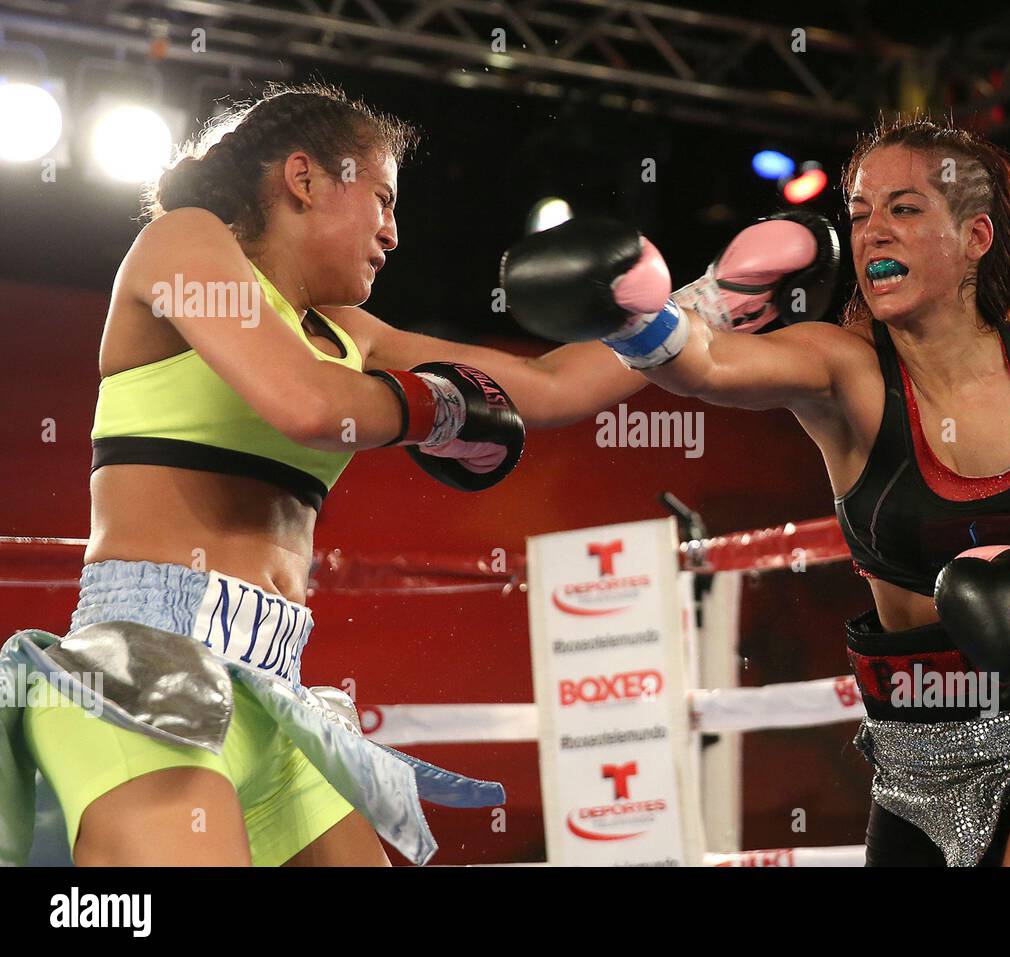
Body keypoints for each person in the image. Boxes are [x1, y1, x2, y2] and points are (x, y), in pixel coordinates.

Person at [501, 118, 1010, 866]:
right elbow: (705, 364)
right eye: (861, 213)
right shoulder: (841, 370)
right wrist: (639, 314)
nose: (873, 234)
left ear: (975, 237)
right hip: (916, 769)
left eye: (904, 209)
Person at [0, 82, 662, 868]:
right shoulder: (183, 242)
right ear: (304, 178)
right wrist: (442, 407)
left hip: (273, 694)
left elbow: (553, 386)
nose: (393, 231)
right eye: (380, 199)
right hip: (143, 673)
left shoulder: (349, 334)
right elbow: (307, 403)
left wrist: (698, 312)